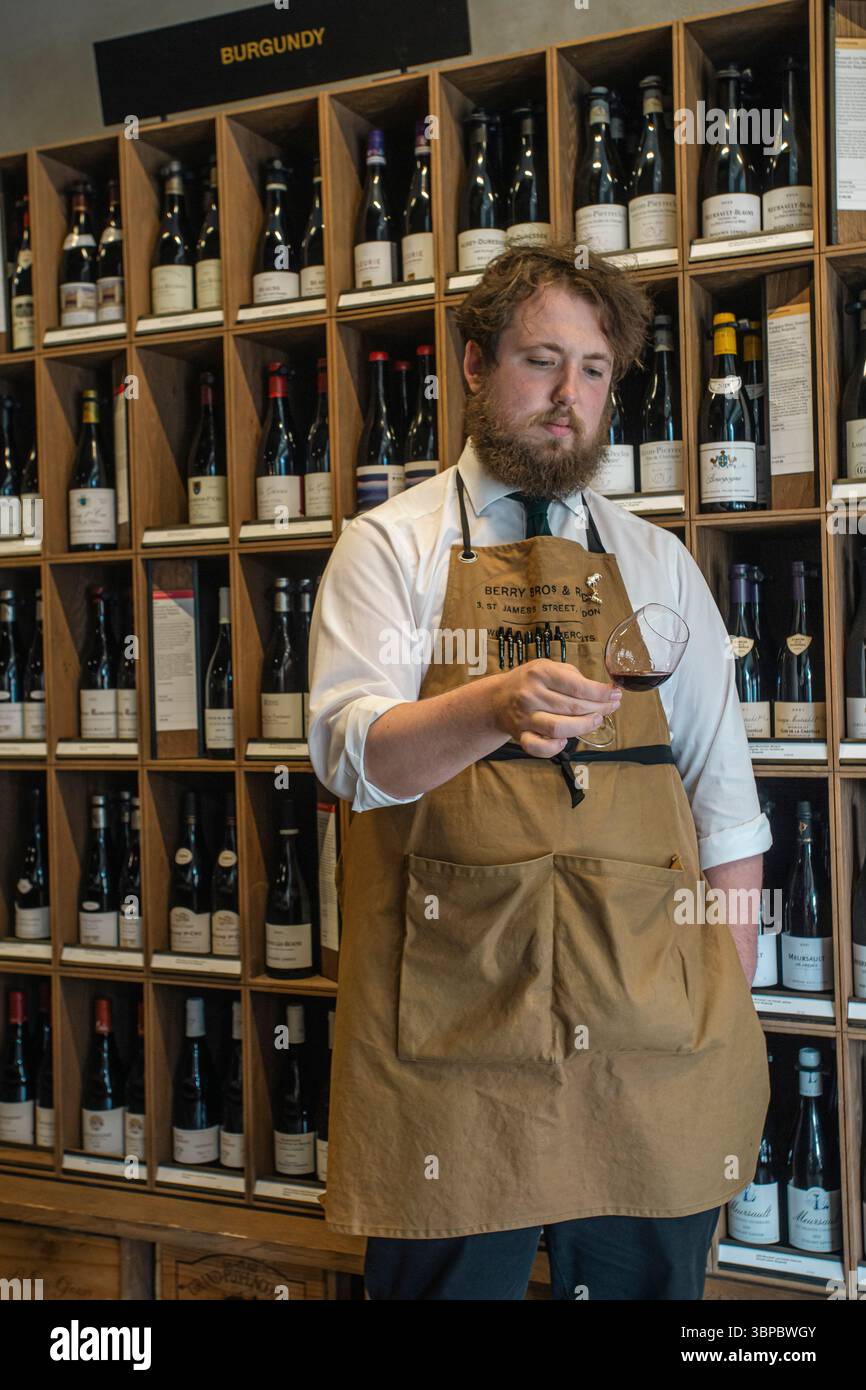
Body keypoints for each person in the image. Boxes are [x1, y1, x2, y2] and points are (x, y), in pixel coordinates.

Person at [307, 241, 771, 1301]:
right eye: (539, 361)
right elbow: (347, 754)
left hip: (650, 1044)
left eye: (594, 369)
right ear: (472, 366)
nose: (569, 397)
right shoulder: (391, 547)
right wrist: (490, 704)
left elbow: (727, 821)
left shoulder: (656, 565)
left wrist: (717, 1013)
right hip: (451, 1043)